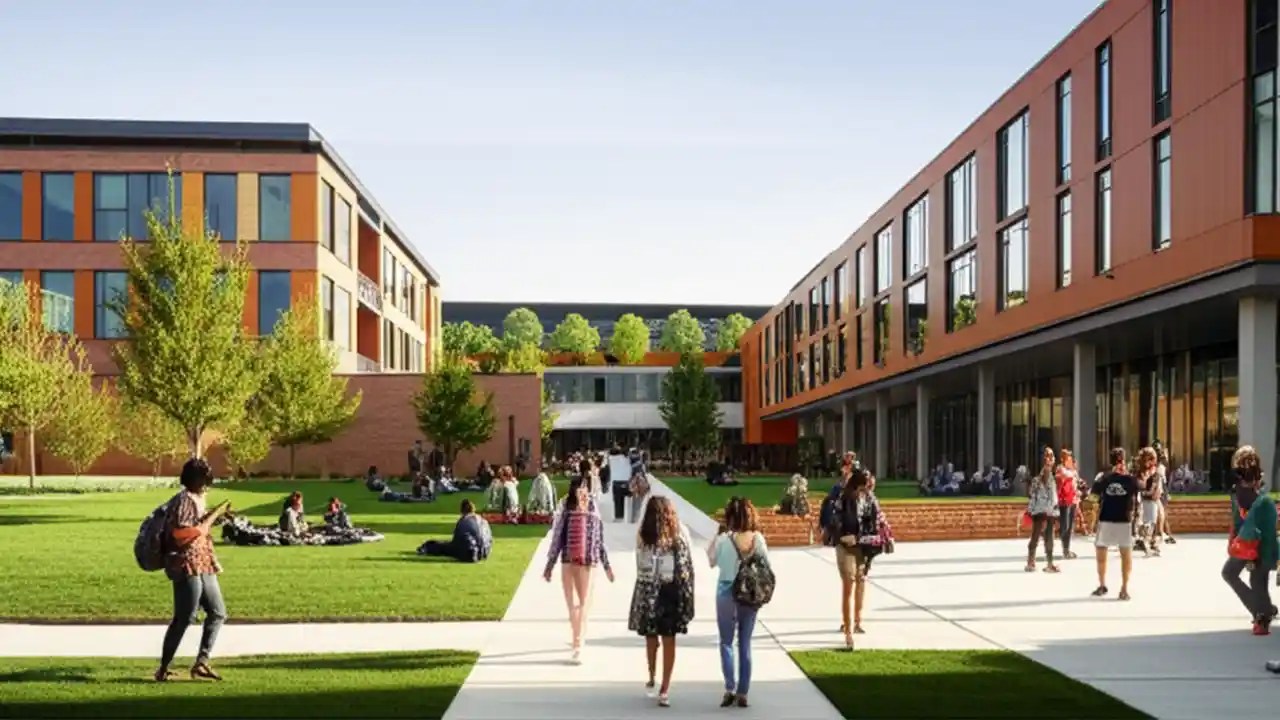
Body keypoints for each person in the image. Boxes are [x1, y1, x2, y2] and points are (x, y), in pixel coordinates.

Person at [156, 458, 230, 682]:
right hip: (187, 563)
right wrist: (203, 527)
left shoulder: (198, 498)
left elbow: (198, 525)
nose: (207, 485)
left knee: (218, 612)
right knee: (185, 617)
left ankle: (202, 662)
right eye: (205, 481)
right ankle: (163, 668)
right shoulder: (184, 499)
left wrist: (214, 519)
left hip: (204, 561)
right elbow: (178, 534)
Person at [628, 496, 695, 708]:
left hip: (647, 590)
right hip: (669, 590)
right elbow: (686, 565)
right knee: (669, 638)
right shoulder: (678, 534)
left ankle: (651, 674)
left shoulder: (642, 535)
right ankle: (664, 688)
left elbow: (638, 562)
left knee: (650, 636)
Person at [707, 497, 769, 709]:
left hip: (725, 589)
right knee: (745, 642)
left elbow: (711, 560)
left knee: (726, 642)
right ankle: (743, 691)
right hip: (749, 593)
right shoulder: (758, 539)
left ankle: (729, 688)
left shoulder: (724, 539)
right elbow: (766, 566)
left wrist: (717, 537)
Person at [544, 477, 614, 663]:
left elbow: (558, 537)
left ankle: (577, 642)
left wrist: (550, 564)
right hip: (586, 560)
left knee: (575, 604)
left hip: (571, 560)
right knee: (582, 604)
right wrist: (607, 566)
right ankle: (578, 641)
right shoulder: (591, 509)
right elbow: (599, 539)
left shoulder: (566, 507)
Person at [825, 467, 889, 648]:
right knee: (849, 583)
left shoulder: (870, 500)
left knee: (861, 580)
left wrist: (867, 538)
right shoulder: (844, 500)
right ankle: (848, 631)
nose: (866, 491)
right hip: (845, 546)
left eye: (868, 488)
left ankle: (858, 620)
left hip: (862, 546)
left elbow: (875, 524)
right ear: (856, 486)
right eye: (863, 488)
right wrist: (843, 536)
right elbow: (834, 522)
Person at [1222, 446, 1278, 635]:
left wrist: (1233, 542)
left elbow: (1239, 520)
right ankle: (1264, 611)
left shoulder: (1243, 491)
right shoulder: (1254, 489)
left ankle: (1262, 614)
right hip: (1258, 540)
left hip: (1253, 540)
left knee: (1233, 574)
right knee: (1257, 579)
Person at [1090, 448, 1139, 600]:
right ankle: (1123, 589)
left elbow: (1092, 498)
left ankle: (1104, 585)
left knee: (1103, 552)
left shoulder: (1104, 478)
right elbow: (1139, 495)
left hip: (1108, 519)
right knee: (1124, 555)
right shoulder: (1130, 479)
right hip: (1121, 520)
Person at [419, 499, 493, 563]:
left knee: (442, 546)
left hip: (469, 552)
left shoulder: (464, 520)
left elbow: (456, 541)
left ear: (462, 511)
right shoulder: (483, 521)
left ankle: (427, 547)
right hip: (485, 552)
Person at [1026, 447, 1060, 573]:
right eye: (1048, 455)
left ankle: (1048, 563)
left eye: (1051, 455)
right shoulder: (1042, 475)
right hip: (1041, 511)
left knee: (1049, 537)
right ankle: (1031, 561)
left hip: (1049, 510)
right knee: (1036, 536)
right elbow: (1033, 494)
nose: (1050, 458)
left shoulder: (1052, 475)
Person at [1135, 447, 1163, 557]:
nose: (1151, 462)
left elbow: (1158, 485)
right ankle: (1145, 541)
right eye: (1148, 459)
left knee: (1156, 520)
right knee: (1147, 522)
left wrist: (1158, 491)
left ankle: (1153, 542)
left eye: (1152, 459)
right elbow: (1141, 487)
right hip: (1144, 500)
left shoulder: (1156, 471)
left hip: (1154, 499)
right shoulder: (1140, 472)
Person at [1055, 449, 1080, 559]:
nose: (1069, 460)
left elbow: (1076, 484)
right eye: (1067, 458)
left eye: (1070, 458)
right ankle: (1063, 546)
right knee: (1064, 526)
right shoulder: (1060, 469)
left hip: (1073, 500)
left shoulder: (1073, 470)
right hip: (1064, 501)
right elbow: (1064, 476)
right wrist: (1073, 471)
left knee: (1070, 527)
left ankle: (1066, 549)